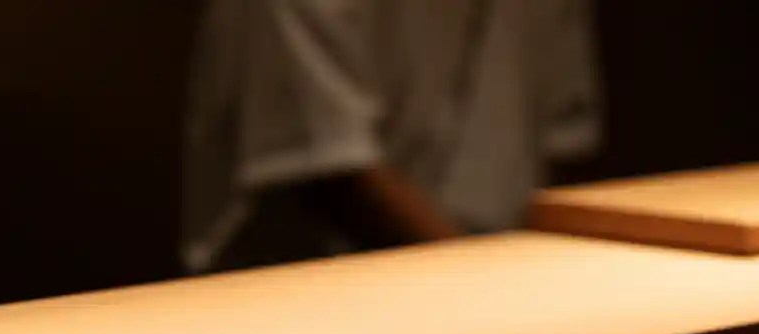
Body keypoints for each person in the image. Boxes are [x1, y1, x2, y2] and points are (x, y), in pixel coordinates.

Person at [182, 0, 602, 273]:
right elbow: (333, 177)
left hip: (497, 285)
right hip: (305, 300)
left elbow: (559, 143)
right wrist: (505, 298)